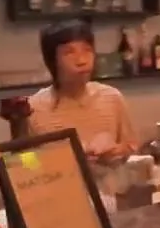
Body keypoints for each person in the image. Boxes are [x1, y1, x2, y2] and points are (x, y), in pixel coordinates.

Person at [26, 19, 137, 165]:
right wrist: (65, 158)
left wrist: (116, 151)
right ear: (52, 60)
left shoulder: (112, 97)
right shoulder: (32, 108)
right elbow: (24, 163)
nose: (82, 60)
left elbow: (131, 146)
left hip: (111, 180)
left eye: (87, 50)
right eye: (69, 52)